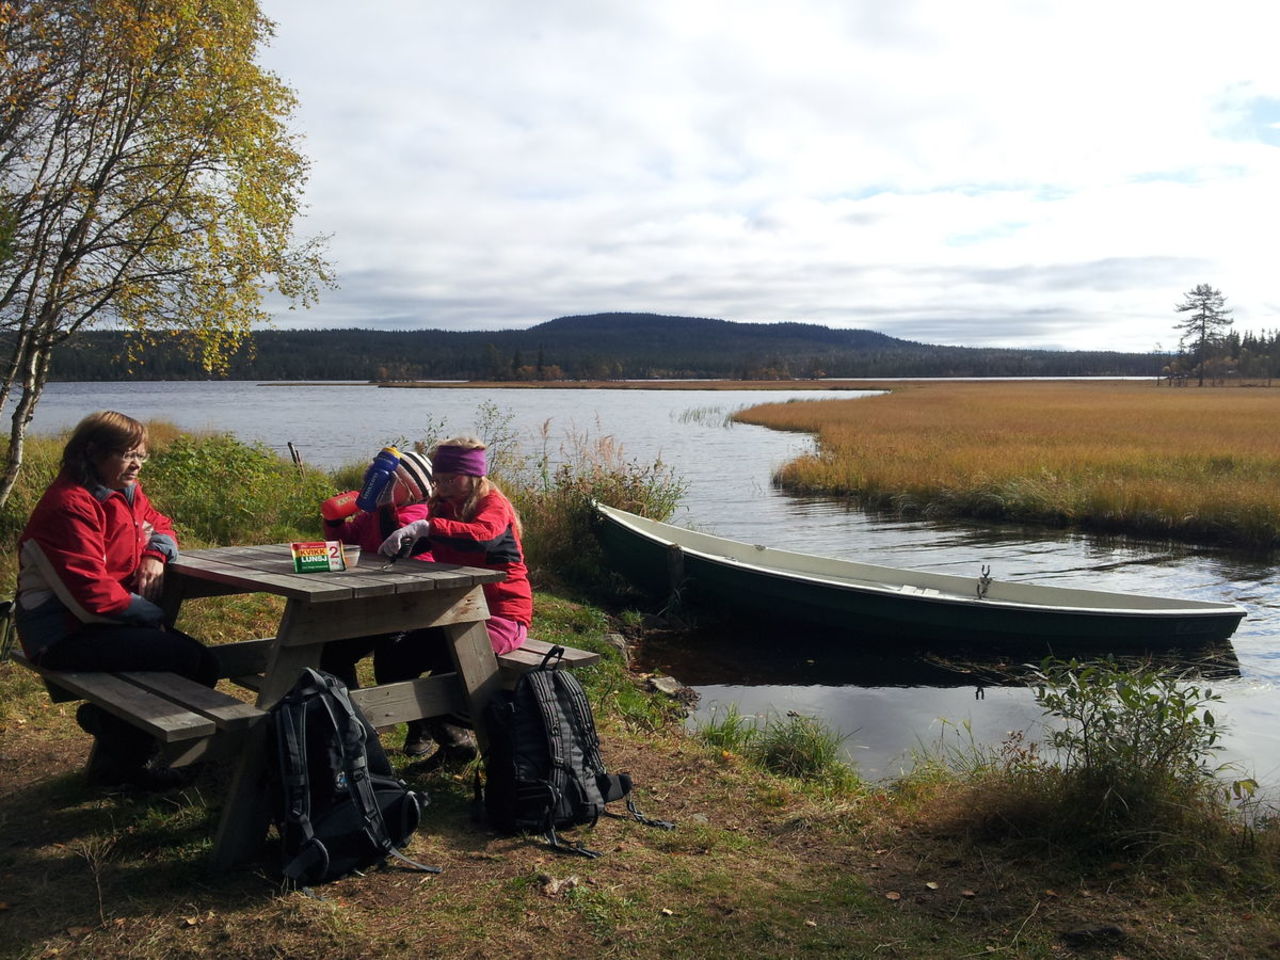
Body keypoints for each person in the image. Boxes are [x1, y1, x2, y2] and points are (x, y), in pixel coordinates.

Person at [15, 410, 219, 790]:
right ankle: (139, 763)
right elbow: (91, 595)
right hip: (60, 635)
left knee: (198, 660)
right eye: (128, 454)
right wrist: (151, 616)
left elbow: (160, 523)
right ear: (93, 452)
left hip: (98, 625)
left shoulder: (124, 493)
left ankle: (118, 741)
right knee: (191, 660)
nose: (138, 463)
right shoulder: (69, 505)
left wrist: (155, 555)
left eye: (142, 454)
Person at [377, 436, 532, 765]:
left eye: (451, 479)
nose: (444, 486)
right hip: (458, 611)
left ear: (473, 476)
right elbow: (413, 548)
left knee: (448, 675)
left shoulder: (493, 506)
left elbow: (481, 536)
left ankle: (455, 737)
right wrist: (388, 509)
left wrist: (425, 526)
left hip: (502, 616)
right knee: (394, 660)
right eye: (439, 479)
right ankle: (443, 740)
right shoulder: (441, 505)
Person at [317, 447, 436, 693]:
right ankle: (349, 715)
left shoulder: (417, 516)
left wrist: (385, 507)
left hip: (408, 605)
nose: (373, 479)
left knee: (389, 666)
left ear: (409, 489)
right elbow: (349, 542)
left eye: (387, 479)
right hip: (376, 600)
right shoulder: (371, 514)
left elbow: (392, 546)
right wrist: (335, 522)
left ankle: (412, 725)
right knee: (333, 651)